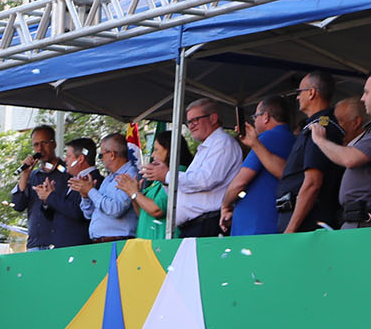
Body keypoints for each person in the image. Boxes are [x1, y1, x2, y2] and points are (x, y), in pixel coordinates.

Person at [146, 98, 242, 238]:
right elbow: (185, 189)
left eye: (195, 120)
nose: (191, 126)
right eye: (189, 122)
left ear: (213, 118)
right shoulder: (206, 147)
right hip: (195, 226)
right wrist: (164, 179)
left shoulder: (222, 143)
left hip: (208, 224)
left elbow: (205, 180)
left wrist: (167, 175)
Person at [312, 71, 371, 228]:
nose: (363, 98)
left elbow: (350, 158)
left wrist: (320, 140)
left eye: (366, 92)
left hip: (366, 220)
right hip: (357, 218)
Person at [277, 70, 345, 232]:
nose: (298, 97)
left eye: (300, 92)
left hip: (307, 222)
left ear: (312, 93)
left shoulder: (320, 128)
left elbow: (312, 182)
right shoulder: (310, 127)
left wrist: (291, 228)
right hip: (299, 216)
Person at [221, 96, 296, 237]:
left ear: (266, 117)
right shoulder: (293, 139)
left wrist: (225, 204)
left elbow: (240, 182)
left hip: (256, 226)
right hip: (276, 221)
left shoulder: (266, 138)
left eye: (256, 116)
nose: (254, 121)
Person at [116, 127, 184, 241]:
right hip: (146, 242)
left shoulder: (178, 173)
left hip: (162, 243)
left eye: (156, 150)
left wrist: (135, 193)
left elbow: (157, 210)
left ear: (169, 150)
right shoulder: (158, 179)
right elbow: (142, 213)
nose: (153, 155)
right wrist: (133, 195)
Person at [81, 132, 140, 242]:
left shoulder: (130, 175)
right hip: (102, 242)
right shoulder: (108, 179)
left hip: (118, 241)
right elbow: (89, 214)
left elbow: (116, 209)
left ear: (112, 155)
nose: (101, 159)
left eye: (101, 155)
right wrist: (86, 196)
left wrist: (90, 190)